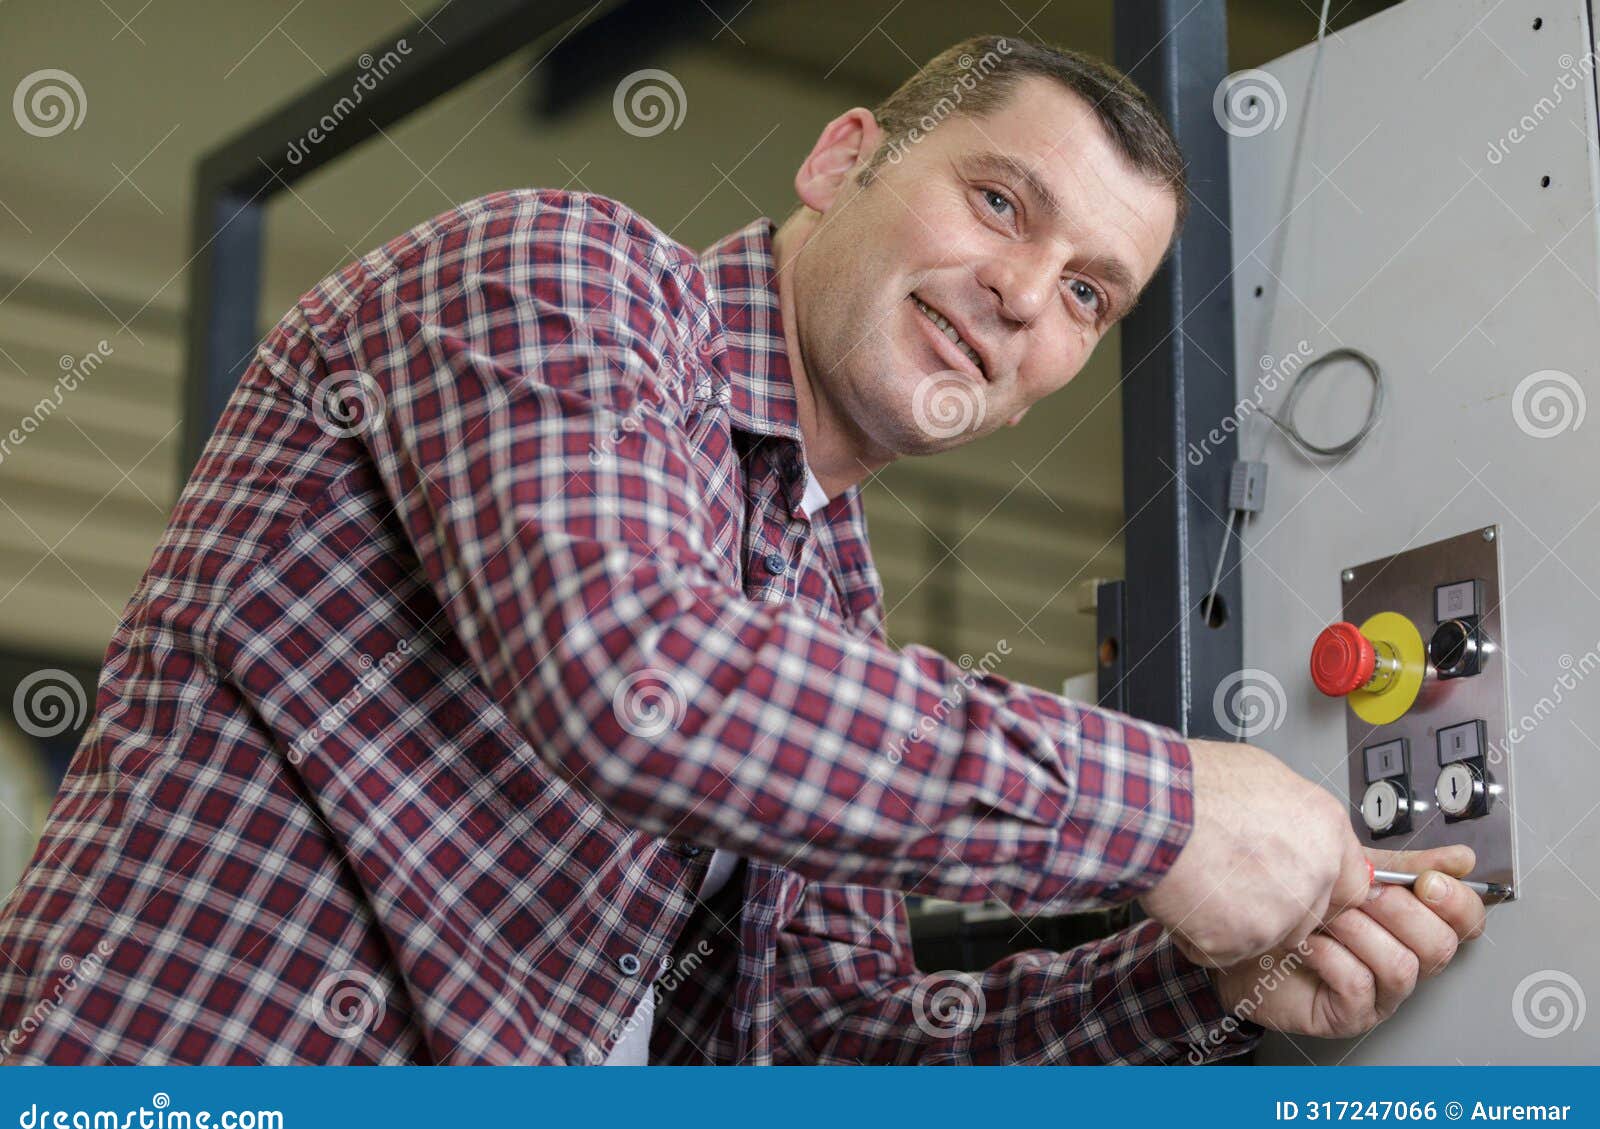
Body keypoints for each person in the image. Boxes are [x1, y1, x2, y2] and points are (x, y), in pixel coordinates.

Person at [0, 34, 1483, 1065]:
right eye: (997, 200)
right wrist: (1168, 812)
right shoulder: (568, 274)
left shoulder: (831, 621)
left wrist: (1196, 982)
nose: (1028, 295)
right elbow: (642, 682)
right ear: (843, 159)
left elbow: (816, 1052)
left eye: (1092, 295)